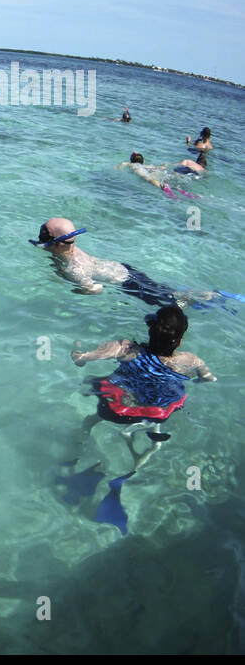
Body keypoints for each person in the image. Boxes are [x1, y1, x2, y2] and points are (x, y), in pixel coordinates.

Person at [71, 305, 215, 466]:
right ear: (180, 342)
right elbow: (209, 378)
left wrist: (77, 351)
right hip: (159, 412)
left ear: (150, 330)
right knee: (154, 399)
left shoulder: (127, 349)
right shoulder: (191, 360)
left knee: (91, 409)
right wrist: (198, 380)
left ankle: (78, 447)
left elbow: (80, 359)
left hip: (117, 408)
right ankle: (148, 443)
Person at [30, 218, 212, 306]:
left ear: (58, 243)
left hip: (126, 283)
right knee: (167, 291)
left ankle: (206, 298)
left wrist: (72, 289)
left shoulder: (73, 267)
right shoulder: (71, 250)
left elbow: (96, 290)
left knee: (173, 302)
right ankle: (204, 296)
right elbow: (51, 247)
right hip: (123, 268)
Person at [116, 153, 198, 198]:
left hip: (147, 174)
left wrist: (118, 168)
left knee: (149, 179)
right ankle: (180, 190)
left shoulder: (132, 165)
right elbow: (159, 167)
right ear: (143, 161)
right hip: (156, 171)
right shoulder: (146, 166)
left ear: (131, 161)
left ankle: (166, 190)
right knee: (166, 181)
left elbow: (123, 164)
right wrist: (164, 165)